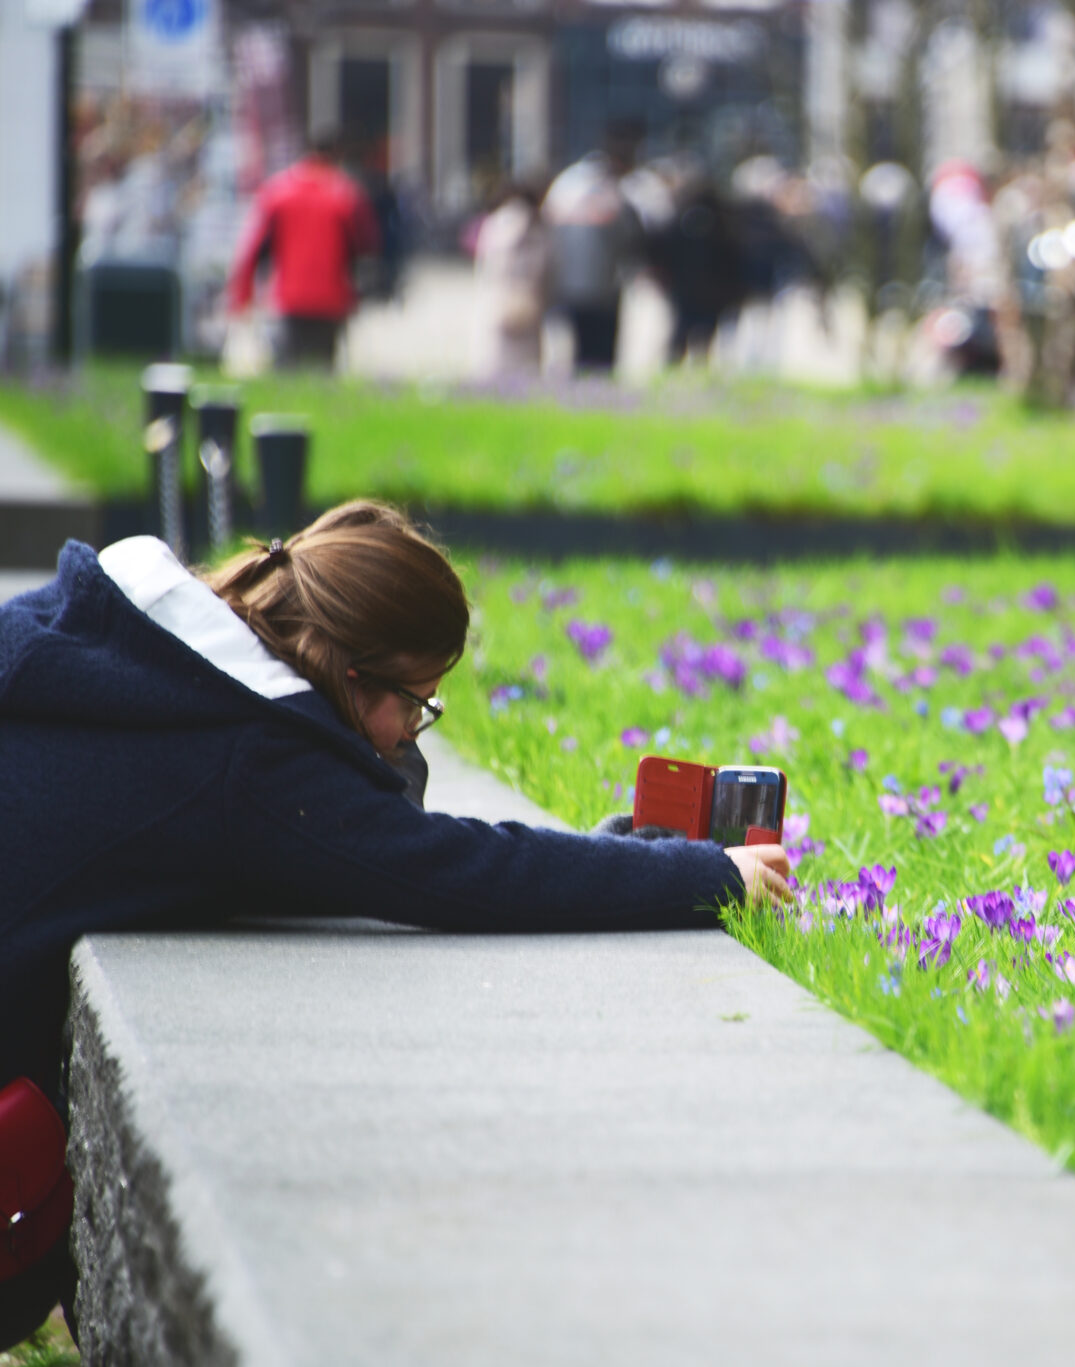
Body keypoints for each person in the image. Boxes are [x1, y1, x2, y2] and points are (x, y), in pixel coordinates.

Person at [0, 501, 790, 1349]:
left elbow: (330, 855)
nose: (413, 731)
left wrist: (610, 859)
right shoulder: (251, 757)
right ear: (350, 672)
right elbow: (454, 872)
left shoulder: (111, 632)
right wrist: (709, 872)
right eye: (417, 705)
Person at [226, 131, 381, 370]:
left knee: (286, 368)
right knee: (322, 369)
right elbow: (365, 248)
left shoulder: (277, 191)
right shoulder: (346, 193)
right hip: (332, 297)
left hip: (288, 296)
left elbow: (253, 249)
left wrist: (242, 295)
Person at [541, 126, 645, 374]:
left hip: (568, 284)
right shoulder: (615, 194)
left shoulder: (564, 188)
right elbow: (631, 238)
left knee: (576, 344)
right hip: (603, 287)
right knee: (601, 348)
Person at [472, 180, 552, 376]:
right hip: (523, 295)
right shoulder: (530, 225)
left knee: (497, 354)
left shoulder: (495, 222)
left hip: (498, 294)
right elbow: (542, 264)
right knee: (522, 360)